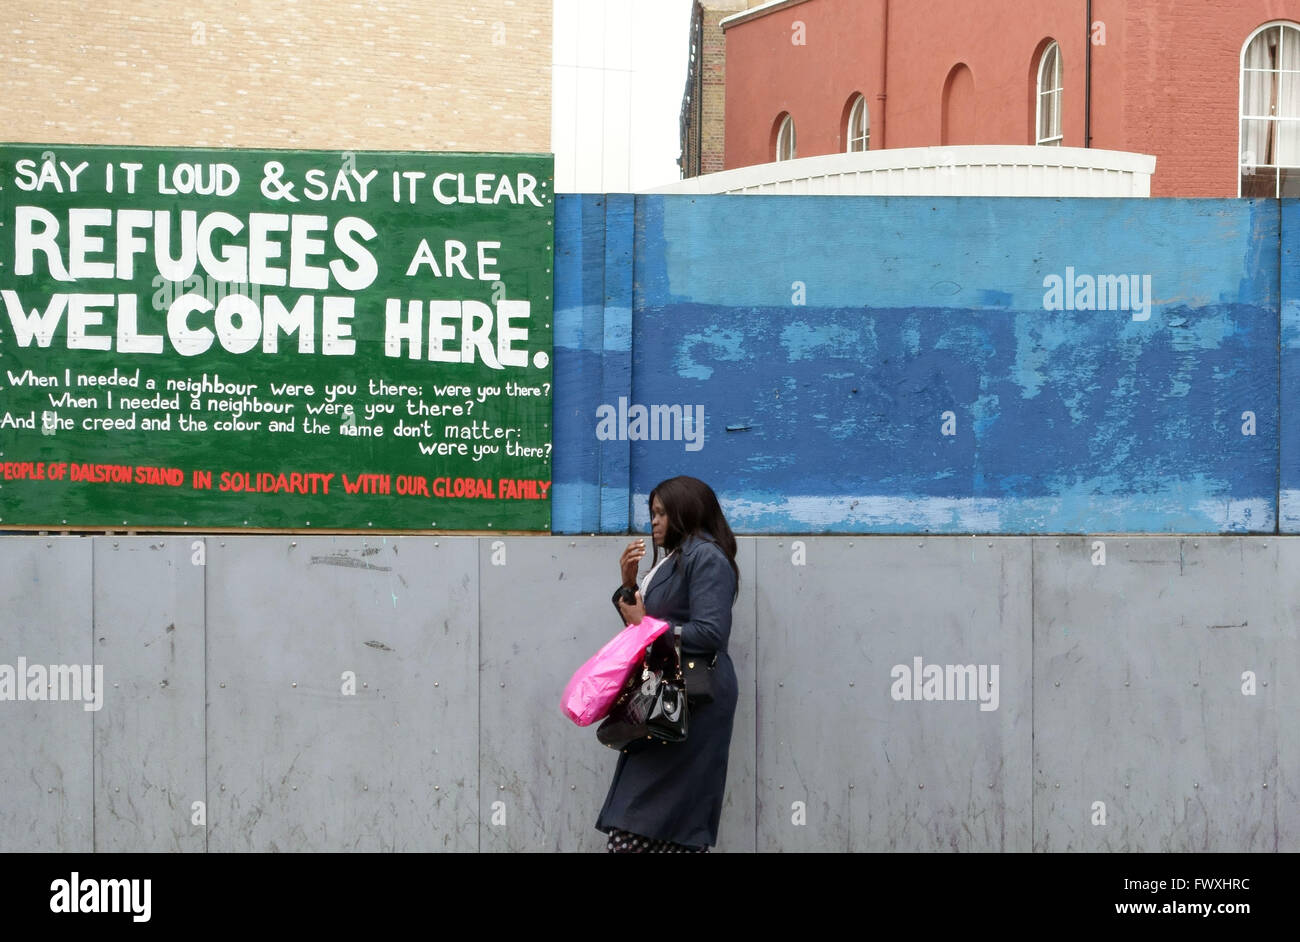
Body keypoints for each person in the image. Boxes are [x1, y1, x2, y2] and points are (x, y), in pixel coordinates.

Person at [595, 475, 740, 853]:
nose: (654, 521)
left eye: (661, 513)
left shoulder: (706, 556)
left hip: (693, 702)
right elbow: (647, 625)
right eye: (653, 513)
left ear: (684, 511)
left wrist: (645, 624)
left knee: (657, 820)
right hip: (665, 699)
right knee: (641, 817)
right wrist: (629, 586)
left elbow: (710, 633)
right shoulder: (677, 558)